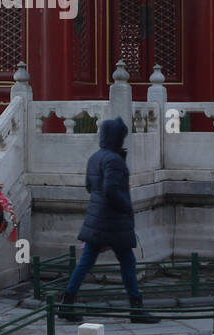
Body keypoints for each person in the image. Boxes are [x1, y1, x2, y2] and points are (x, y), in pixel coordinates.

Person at [60, 116, 159, 324]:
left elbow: (90, 186)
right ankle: (136, 308)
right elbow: (111, 190)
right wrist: (126, 206)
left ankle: (66, 303)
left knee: (86, 262)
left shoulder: (95, 157)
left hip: (97, 216)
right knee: (127, 262)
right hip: (113, 220)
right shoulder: (114, 160)